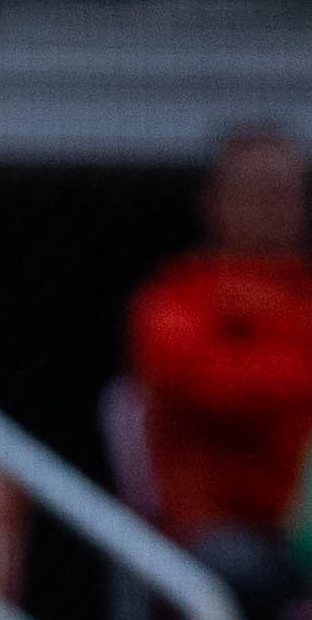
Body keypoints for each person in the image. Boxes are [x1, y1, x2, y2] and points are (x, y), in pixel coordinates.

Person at [124, 127, 312, 563]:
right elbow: (210, 385)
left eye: (289, 192)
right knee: (236, 564)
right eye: (262, 192)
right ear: (214, 201)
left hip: (303, 525)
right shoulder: (174, 299)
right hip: (225, 527)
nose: (279, 208)